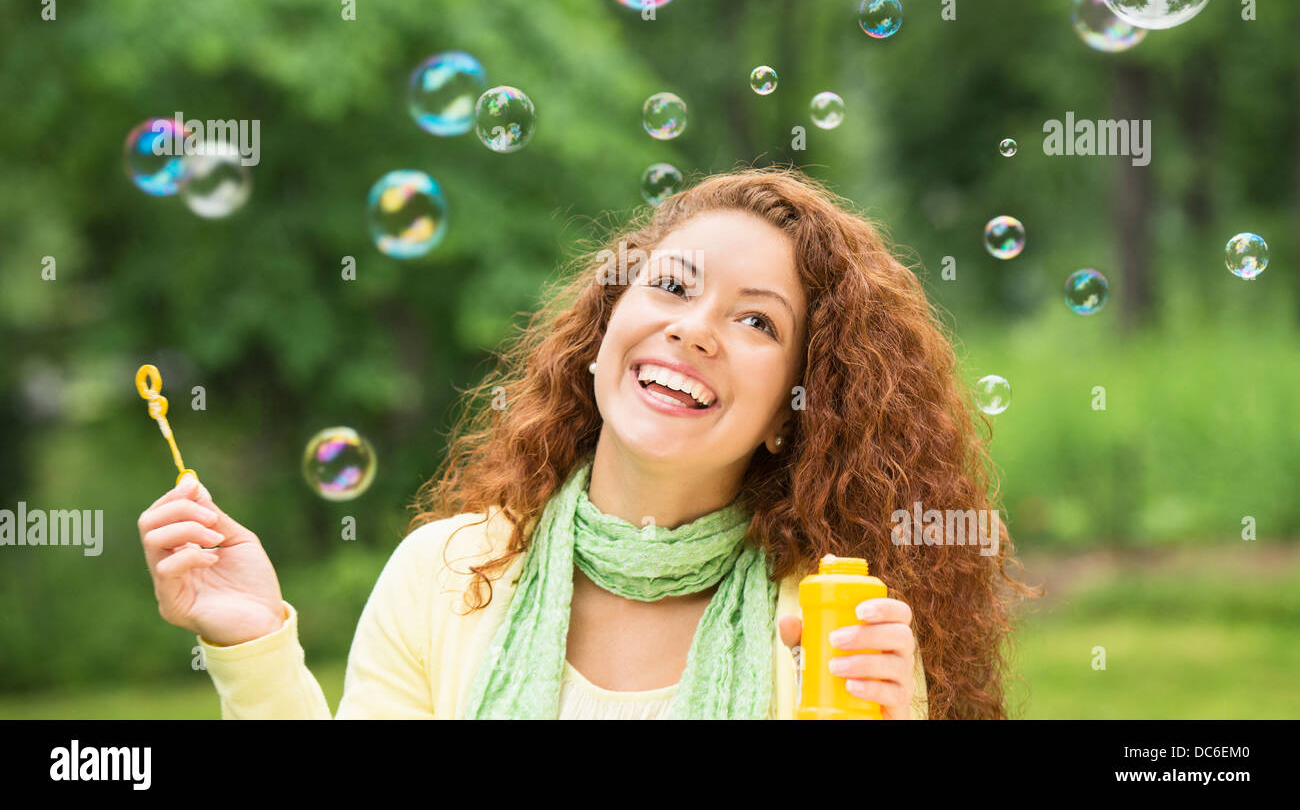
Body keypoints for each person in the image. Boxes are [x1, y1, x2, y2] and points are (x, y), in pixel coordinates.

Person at [138, 165, 1036, 719]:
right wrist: (253, 643)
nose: (696, 331)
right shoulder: (442, 574)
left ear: (796, 411)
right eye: (673, 286)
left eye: (758, 322)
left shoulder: (828, 621)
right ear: (605, 326)